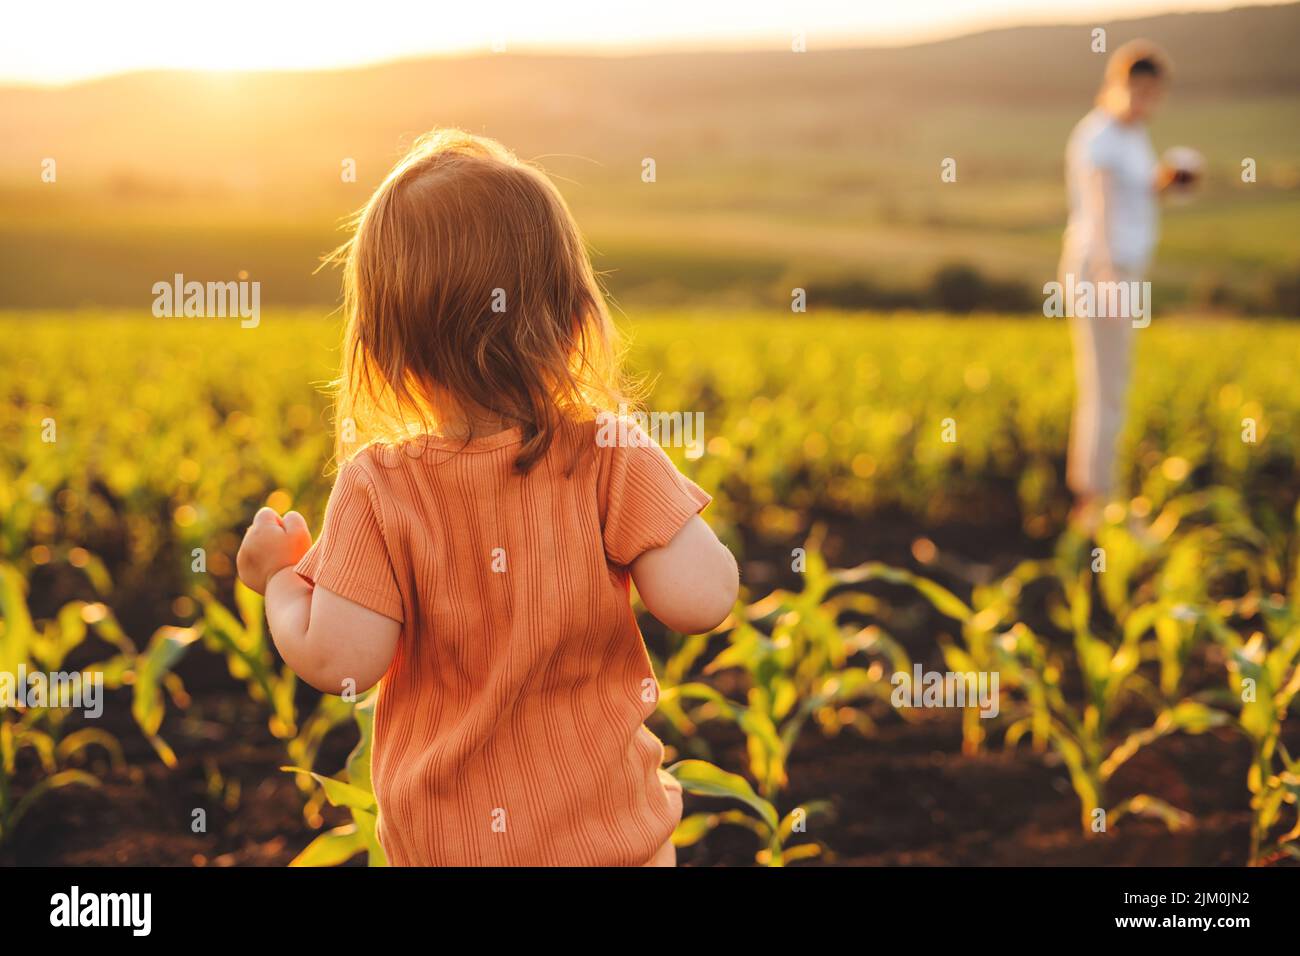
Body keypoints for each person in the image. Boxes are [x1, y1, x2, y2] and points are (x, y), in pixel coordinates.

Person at [235, 129, 739, 866]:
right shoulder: (607, 452)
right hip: (616, 841)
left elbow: (341, 661)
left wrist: (280, 578)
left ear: (384, 344)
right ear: (572, 316)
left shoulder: (379, 486)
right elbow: (700, 600)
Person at [1062, 40, 1183, 528]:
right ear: (1116, 85)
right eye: (1136, 91)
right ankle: (1097, 505)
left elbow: (1135, 195)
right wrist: (1111, 278)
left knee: (1111, 384)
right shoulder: (1103, 137)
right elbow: (1103, 209)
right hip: (1101, 269)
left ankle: (1093, 500)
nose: (1143, 103)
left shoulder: (1131, 136)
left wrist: (1165, 185)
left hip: (1116, 269)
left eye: (1152, 94)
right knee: (1107, 387)